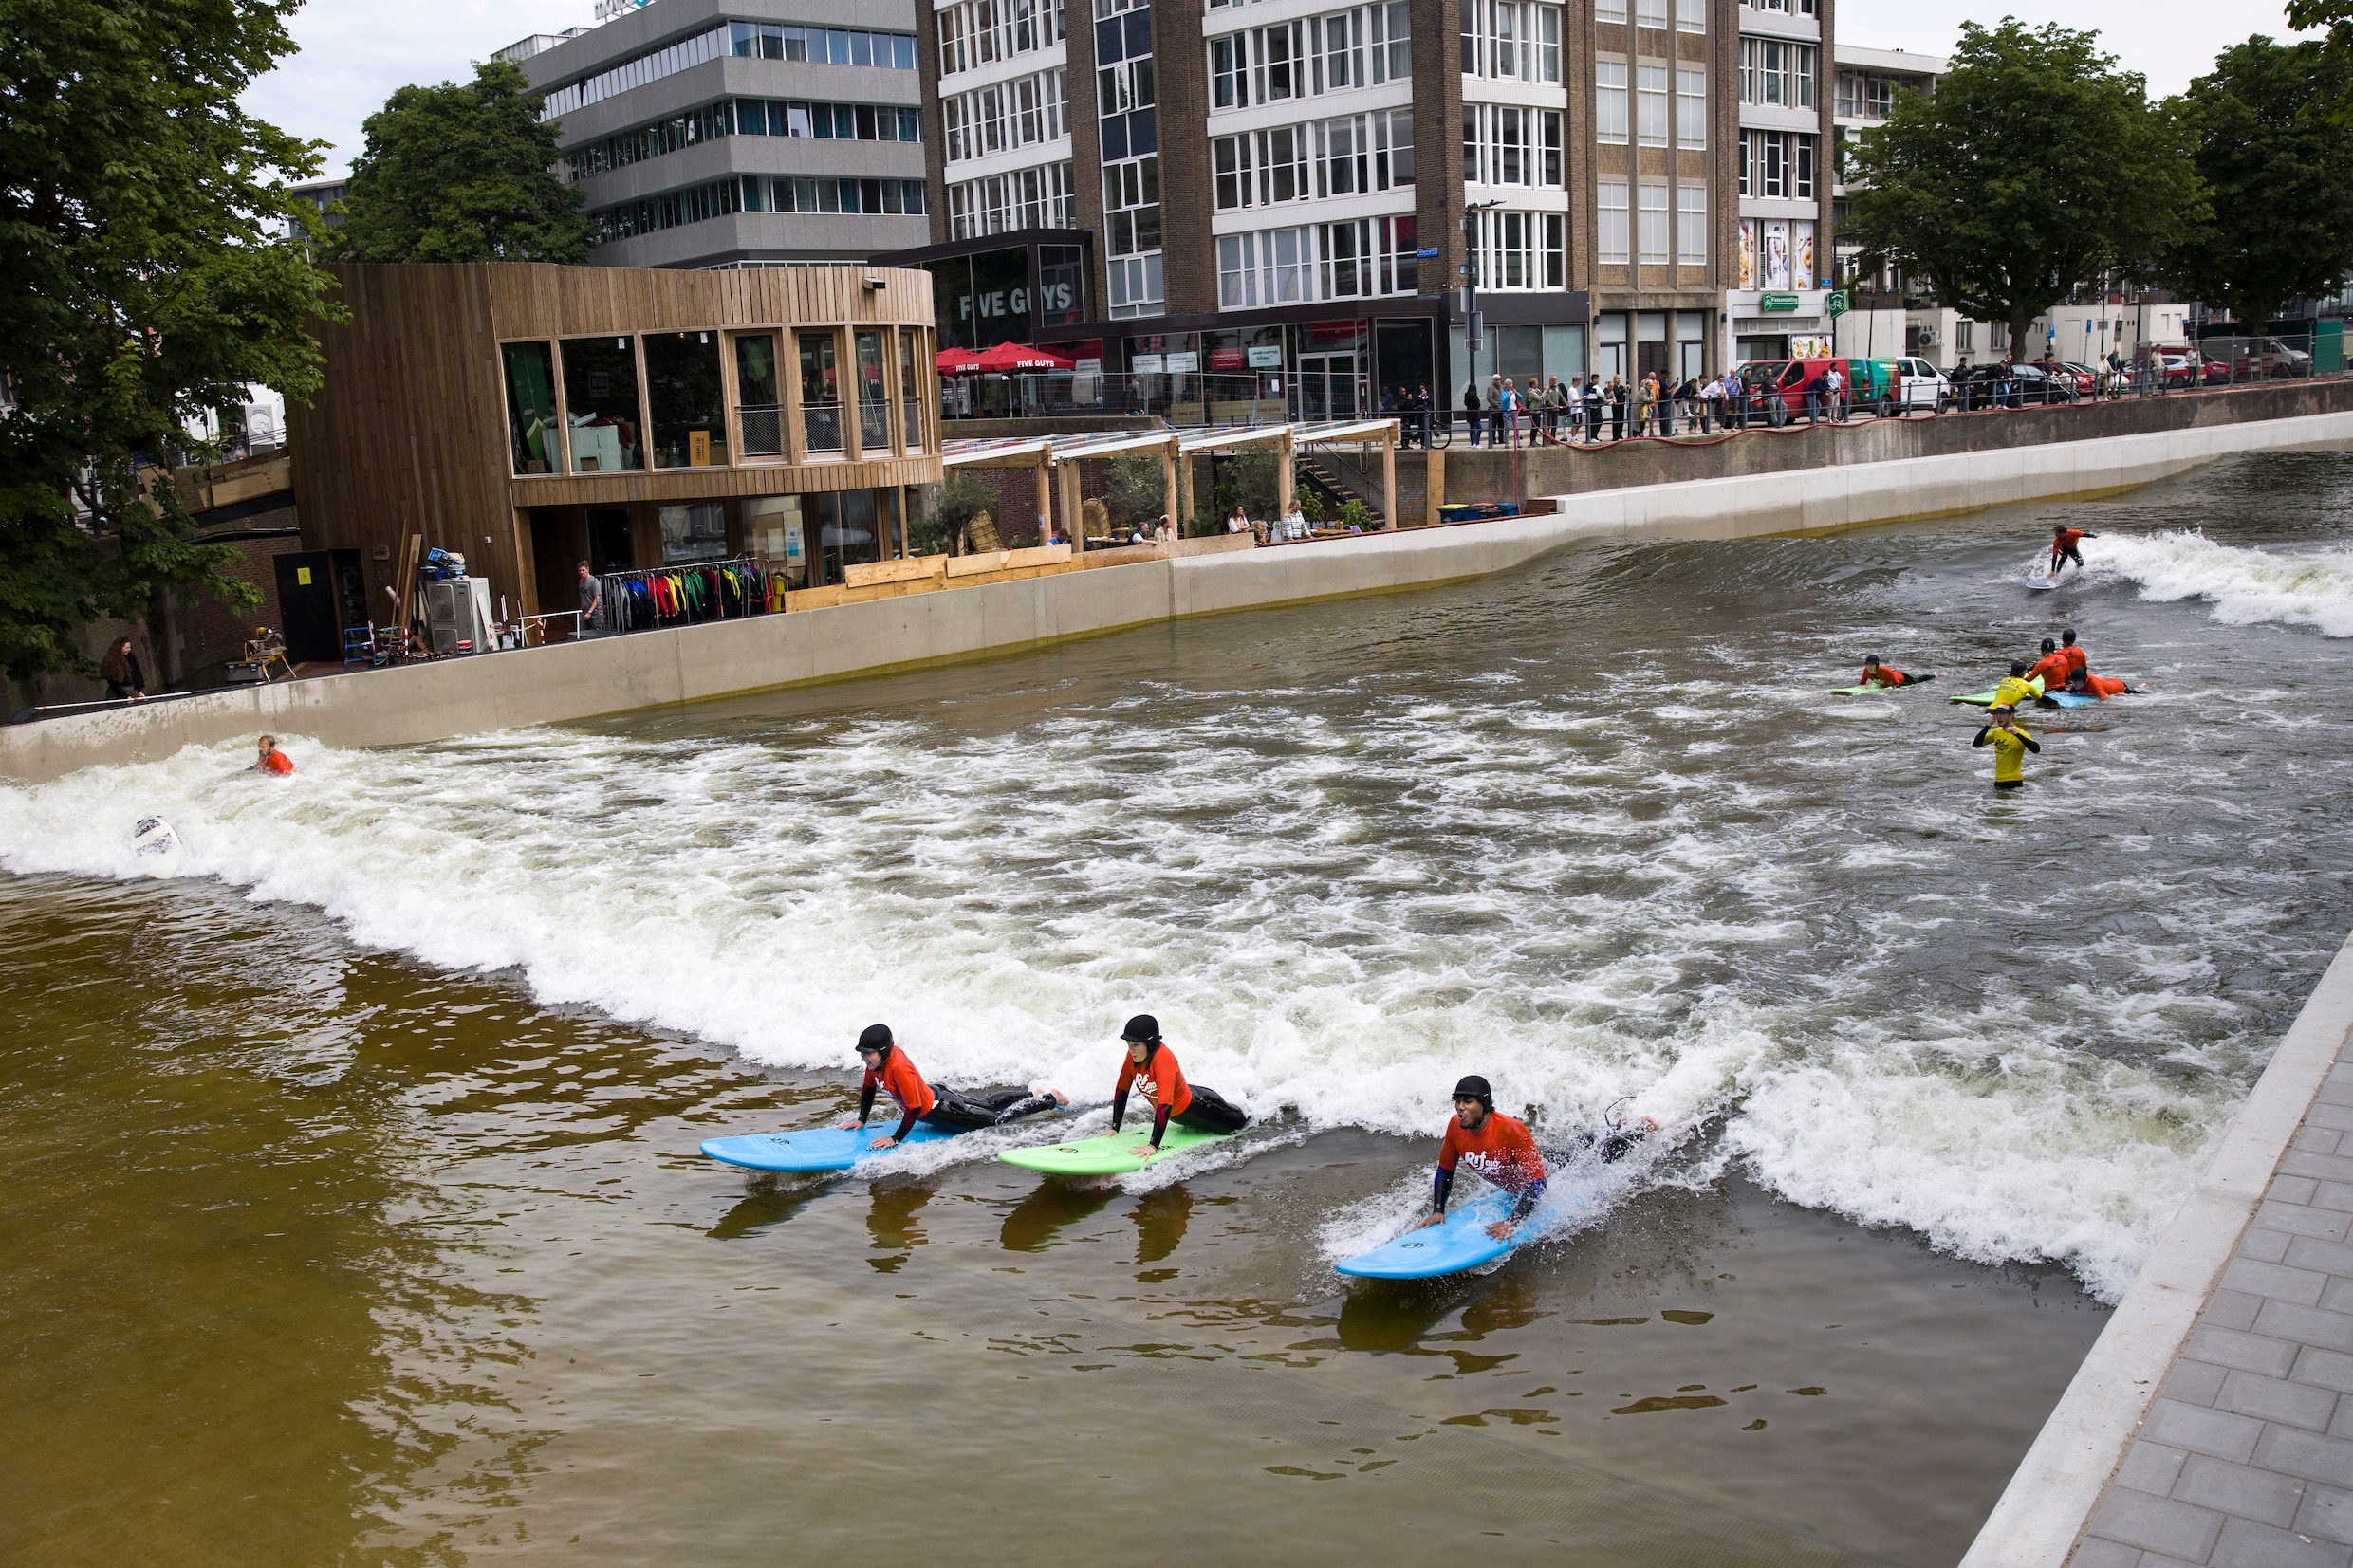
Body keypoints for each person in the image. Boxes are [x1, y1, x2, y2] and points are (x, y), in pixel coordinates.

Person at [838, 1024, 1067, 1148]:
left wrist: (895, 1138)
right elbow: (868, 1090)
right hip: (936, 1093)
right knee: (986, 1104)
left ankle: (1050, 1099)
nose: (863, 1057)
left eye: (867, 1053)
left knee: (995, 1120)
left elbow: (914, 1108)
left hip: (942, 1110)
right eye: (862, 1053)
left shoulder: (899, 1068)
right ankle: (1031, 1093)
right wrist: (862, 1119)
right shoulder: (875, 1065)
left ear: (883, 1052)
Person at [1416, 1075, 1547, 1242]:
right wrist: (1438, 1211)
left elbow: (1538, 1184)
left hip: (1548, 1169)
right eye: (1458, 1101)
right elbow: (1445, 1170)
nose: (1460, 1107)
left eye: (1468, 1101)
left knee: (1562, 1159)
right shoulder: (1455, 1125)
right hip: (1515, 1186)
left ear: (1484, 1104)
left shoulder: (1511, 1129)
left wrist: (1512, 1221)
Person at [1109, 1014, 1249, 1159]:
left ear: (1149, 1043)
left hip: (1201, 1107)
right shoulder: (1134, 1056)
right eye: (1129, 1044)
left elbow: (1165, 1105)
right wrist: (1115, 1128)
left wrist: (1153, 1145)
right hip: (1181, 1104)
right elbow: (1122, 1090)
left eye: (1135, 1044)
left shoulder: (1163, 1058)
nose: (1130, 1049)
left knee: (1242, 1123)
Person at [1973, 704, 2041, 790]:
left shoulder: (2019, 733)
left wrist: (2017, 734)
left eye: (2002, 714)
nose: (1998, 717)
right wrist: (1987, 726)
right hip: (1998, 781)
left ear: (2011, 715)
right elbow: (1976, 744)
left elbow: (2036, 749)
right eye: (1997, 713)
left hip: (2013, 782)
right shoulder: (1997, 732)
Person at [100, 636, 145, 701]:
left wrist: (140, 690)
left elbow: (137, 673)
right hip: (116, 693)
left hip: (131, 690)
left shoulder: (131, 657)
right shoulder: (111, 661)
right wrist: (125, 696)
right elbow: (112, 682)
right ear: (120, 647)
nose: (129, 649)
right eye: (127, 648)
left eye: (129, 647)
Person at [1859, 655, 1929, 688]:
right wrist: (1863, 686)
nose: (1869, 667)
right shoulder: (1866, 670)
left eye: (1872, 665)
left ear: (1877, 665)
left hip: (1902, 678)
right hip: (1888, 682)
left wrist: (1891, 688)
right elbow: (1862, 683)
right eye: (1867, 664)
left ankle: (1933, 676)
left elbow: (1897, 684)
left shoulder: (1885, 670)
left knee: (1918, 680)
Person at [577, 562, 602, 635]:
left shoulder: (594, 581)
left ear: (588, 570)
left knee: (596, 634)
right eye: (579, 571)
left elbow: (597, 598)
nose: (581, 572)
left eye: (583, 570)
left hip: (595, 614)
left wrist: (589, 612)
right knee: (582, 634)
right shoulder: (581, 581)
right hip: (584, 612)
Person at [1463, 381, 1484, 447]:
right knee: (1479, 428)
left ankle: (1472, 443)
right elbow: (1477, 404)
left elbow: (1465, 403)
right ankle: (1477, 443)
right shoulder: (1473, 395)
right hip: (1474, 413)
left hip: (1469, 412)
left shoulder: (1466, 394)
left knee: (1472, 428)